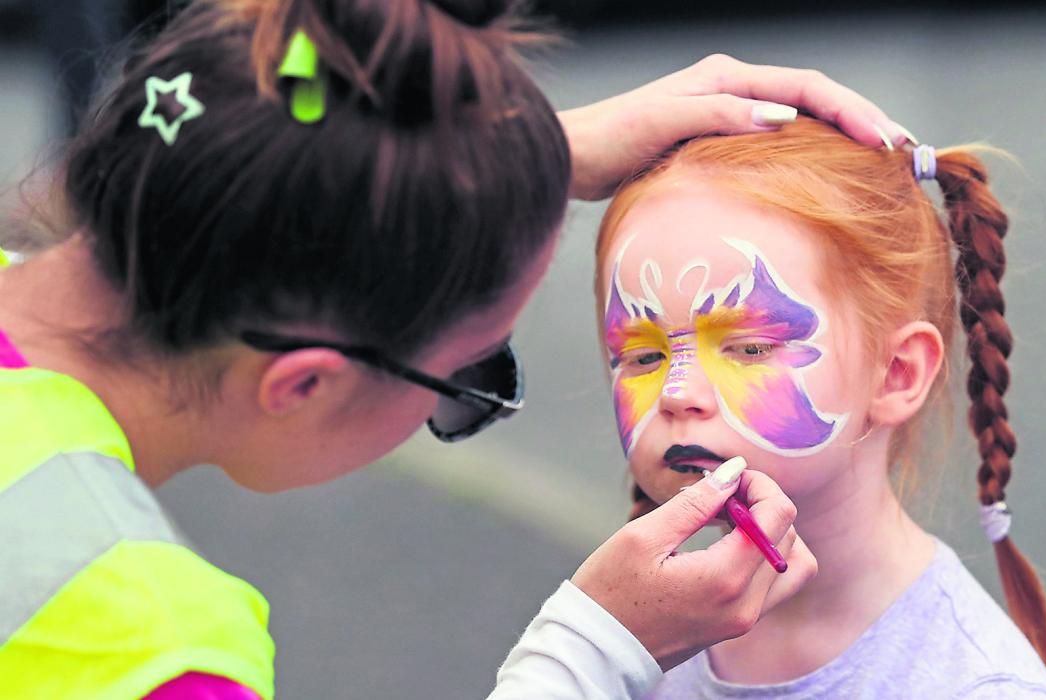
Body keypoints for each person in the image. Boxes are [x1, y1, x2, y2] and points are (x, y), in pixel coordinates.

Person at [0, 0, 916, 698]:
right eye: (468, 379)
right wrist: (592, 650)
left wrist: (491, 164)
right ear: (304, 383)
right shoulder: (144, 650)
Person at [592, 118, 1046, 698]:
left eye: (750, 348)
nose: (676, 392)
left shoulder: (975, 686)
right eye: (643, 356)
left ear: (896, 374)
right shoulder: (619, 642)